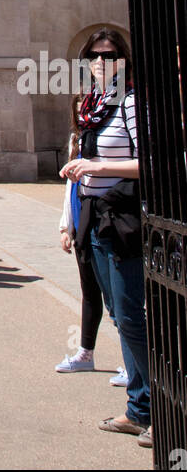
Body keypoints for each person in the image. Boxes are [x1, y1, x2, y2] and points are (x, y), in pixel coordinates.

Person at [60, 29, 150, 446]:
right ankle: (139, 407)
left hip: (123, 214)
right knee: (118, 312)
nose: (101, 62)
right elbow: (90, 157)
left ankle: (151, 408)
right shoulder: (94, 107)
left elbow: (152, 162)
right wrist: (77, 168)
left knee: (132, 316)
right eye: (93, 57)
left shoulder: (130, 103)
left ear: (123, 60)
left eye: (110, 55)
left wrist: (94, 167)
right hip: (93, 216)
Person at [56, 92, 124, 384]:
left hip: (106, 220)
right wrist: (65, 227)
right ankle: (86, 352)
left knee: (117, 299)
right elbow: (71, 190)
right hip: (81, 220)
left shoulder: (106, 141)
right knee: (90, 293)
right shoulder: (79, 140)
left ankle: (131, 362)